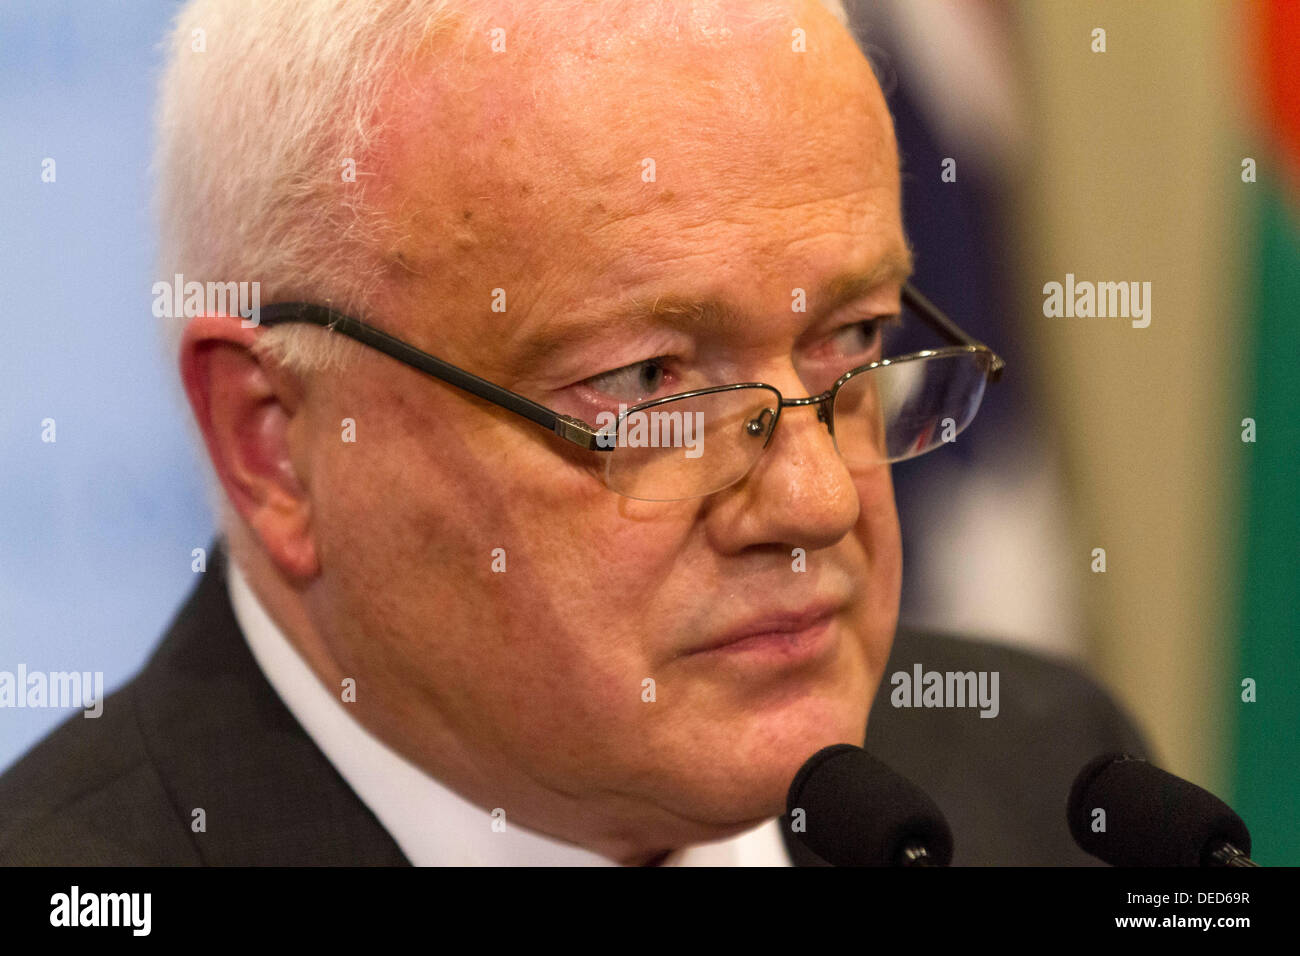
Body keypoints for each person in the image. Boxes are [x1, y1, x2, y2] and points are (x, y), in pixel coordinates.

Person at [0, 0, 1145, 866]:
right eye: (649, 381)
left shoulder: (1048, 780)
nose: (815, 501)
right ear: (275, 445)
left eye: (848, 339)